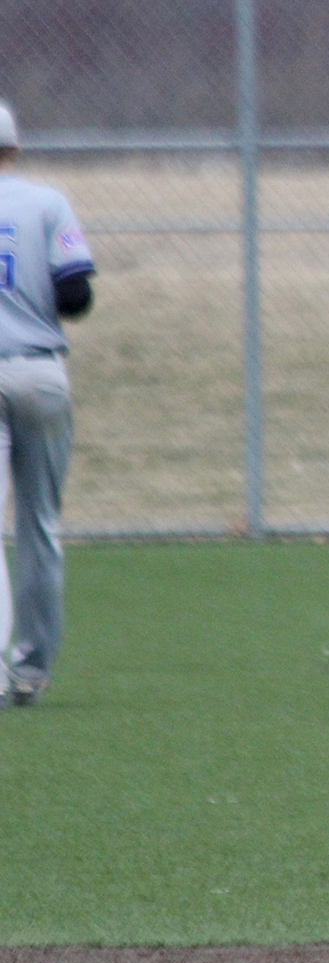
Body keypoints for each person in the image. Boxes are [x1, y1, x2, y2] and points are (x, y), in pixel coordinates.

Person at [0, 102, 93, 707]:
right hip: (38, 373)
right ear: (15, 146)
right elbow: (77, 293)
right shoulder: (47, 201)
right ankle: (30, 670)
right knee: (38, 526)